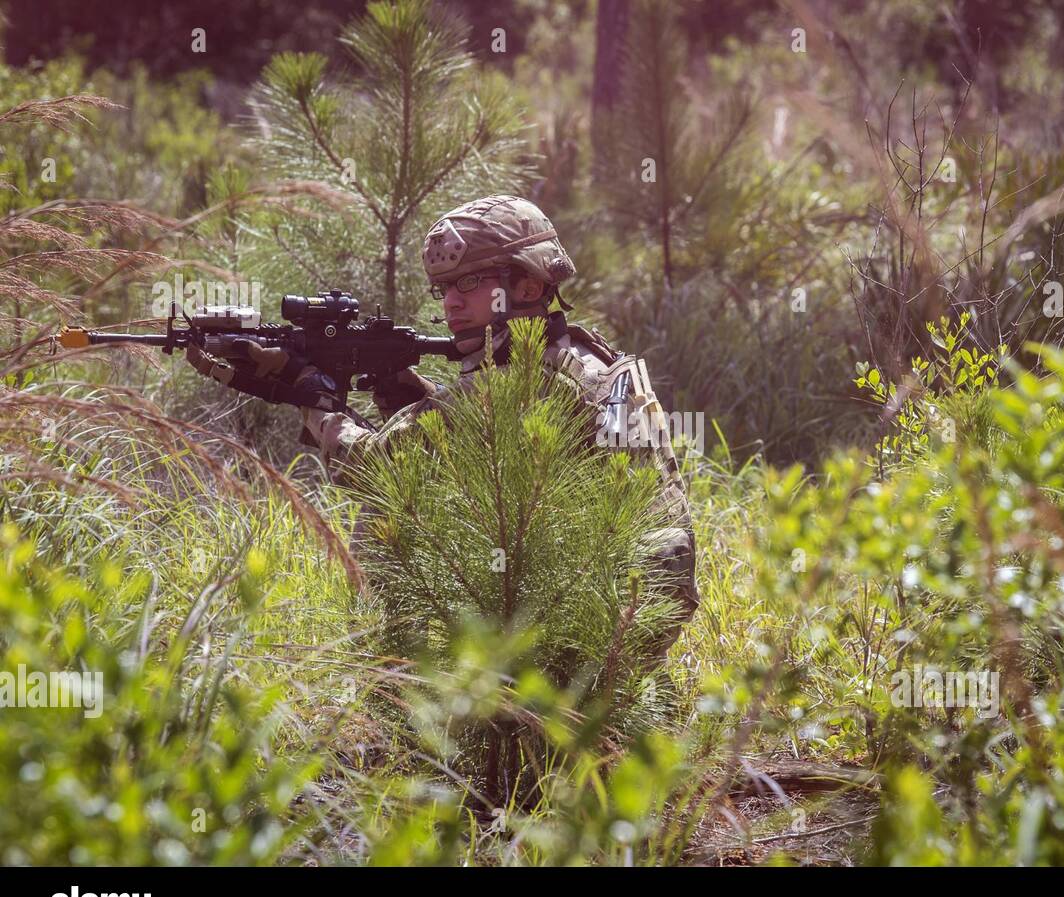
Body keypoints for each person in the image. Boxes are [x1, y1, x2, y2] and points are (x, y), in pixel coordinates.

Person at [187, 195, 699, 656]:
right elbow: (479, 448)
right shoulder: (582, 356)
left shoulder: (516, 382)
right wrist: (404, 392)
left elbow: (375, 469)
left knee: (387, 512)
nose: (452, 301)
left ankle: (396, 680)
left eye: (471, 282)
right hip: (634, 615)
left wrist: (311, 395)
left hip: (586, 628)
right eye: (444, 288)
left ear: (528, 282)